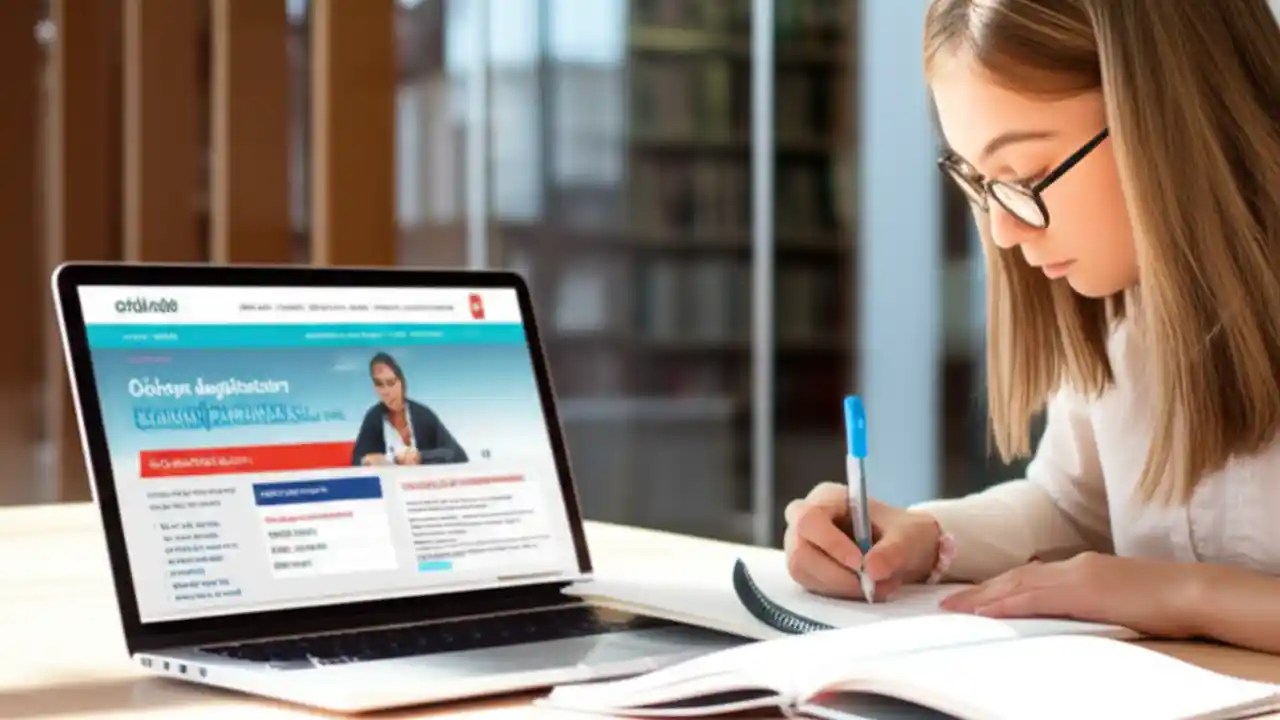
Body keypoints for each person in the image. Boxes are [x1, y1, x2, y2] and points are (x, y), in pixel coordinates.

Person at [784, 0, 1280, 653]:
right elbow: (1073, 509)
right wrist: (920, 537)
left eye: (1029, 174)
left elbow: (1122, 572)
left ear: (1171, 112)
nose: (1003, 232)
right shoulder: (1125, 308)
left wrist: (1183, 596)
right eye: (983, 182)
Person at [352, 352, 468, 466]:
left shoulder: (423, 415)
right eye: (379, 384)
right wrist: (366, 461)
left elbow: (459, 455)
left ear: (402, 382)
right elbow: (356, 460)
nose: (386, 391)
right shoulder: (373, 418)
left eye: (391, 383)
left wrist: (421, 457)